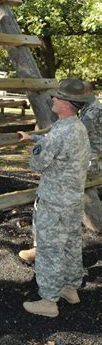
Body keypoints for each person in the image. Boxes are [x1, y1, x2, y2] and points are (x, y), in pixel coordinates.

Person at [18, 78, 91, 317]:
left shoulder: (62, 131)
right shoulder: (76, 126)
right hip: (71, 200)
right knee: (70, 244)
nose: (53, 100)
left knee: (49, 248)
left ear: (68, 104)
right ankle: (70, 288)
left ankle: (48, 300)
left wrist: (35, 150)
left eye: (57, 98)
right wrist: (35, 138)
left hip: (54, 202)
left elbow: (38, 163)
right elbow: (57, 145)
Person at [80, 81, 102, 232]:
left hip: (92, 162)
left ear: (87, 93)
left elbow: (78, 133)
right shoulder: (90, 107)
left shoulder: (92, 111)